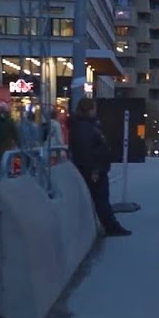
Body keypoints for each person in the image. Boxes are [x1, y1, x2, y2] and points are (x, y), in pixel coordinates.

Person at [68, 97, 131, 237]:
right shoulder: (84, 127)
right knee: (101, 199)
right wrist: (95, 169)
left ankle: (111, 226)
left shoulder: (85, 125)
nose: (96, 111)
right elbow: (86, 151)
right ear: (88, 110)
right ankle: (111, 227)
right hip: (94, 170)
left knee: (101, 199)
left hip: (96, 168)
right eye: (94, 108)